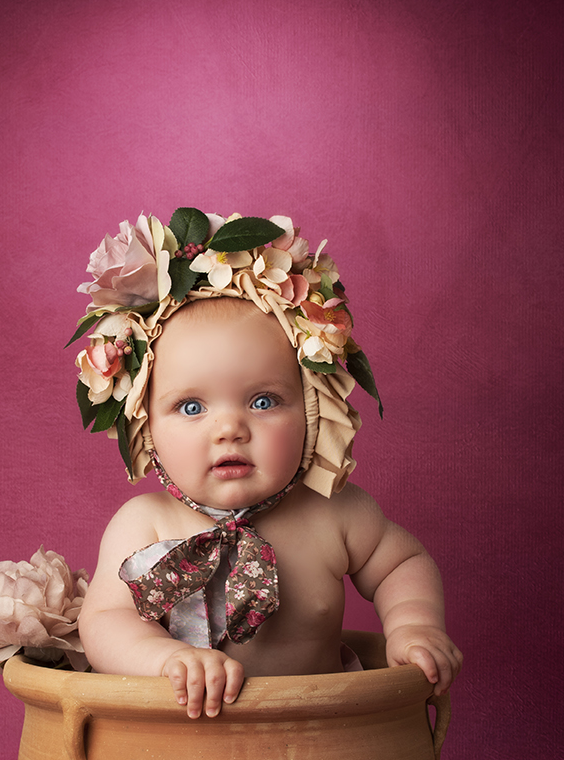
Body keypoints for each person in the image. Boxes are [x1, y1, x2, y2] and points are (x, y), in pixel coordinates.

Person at [73, 210, 462, 718]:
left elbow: (402, 565)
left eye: (262, 402)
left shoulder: (333, 511)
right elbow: (104, 620)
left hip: (316, 739)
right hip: (177, 742)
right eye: (191, 407)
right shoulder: (142, 524)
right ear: (146, 426)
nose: (230, 428)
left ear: (312, 411)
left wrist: (414, 625)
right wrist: (168, 657)